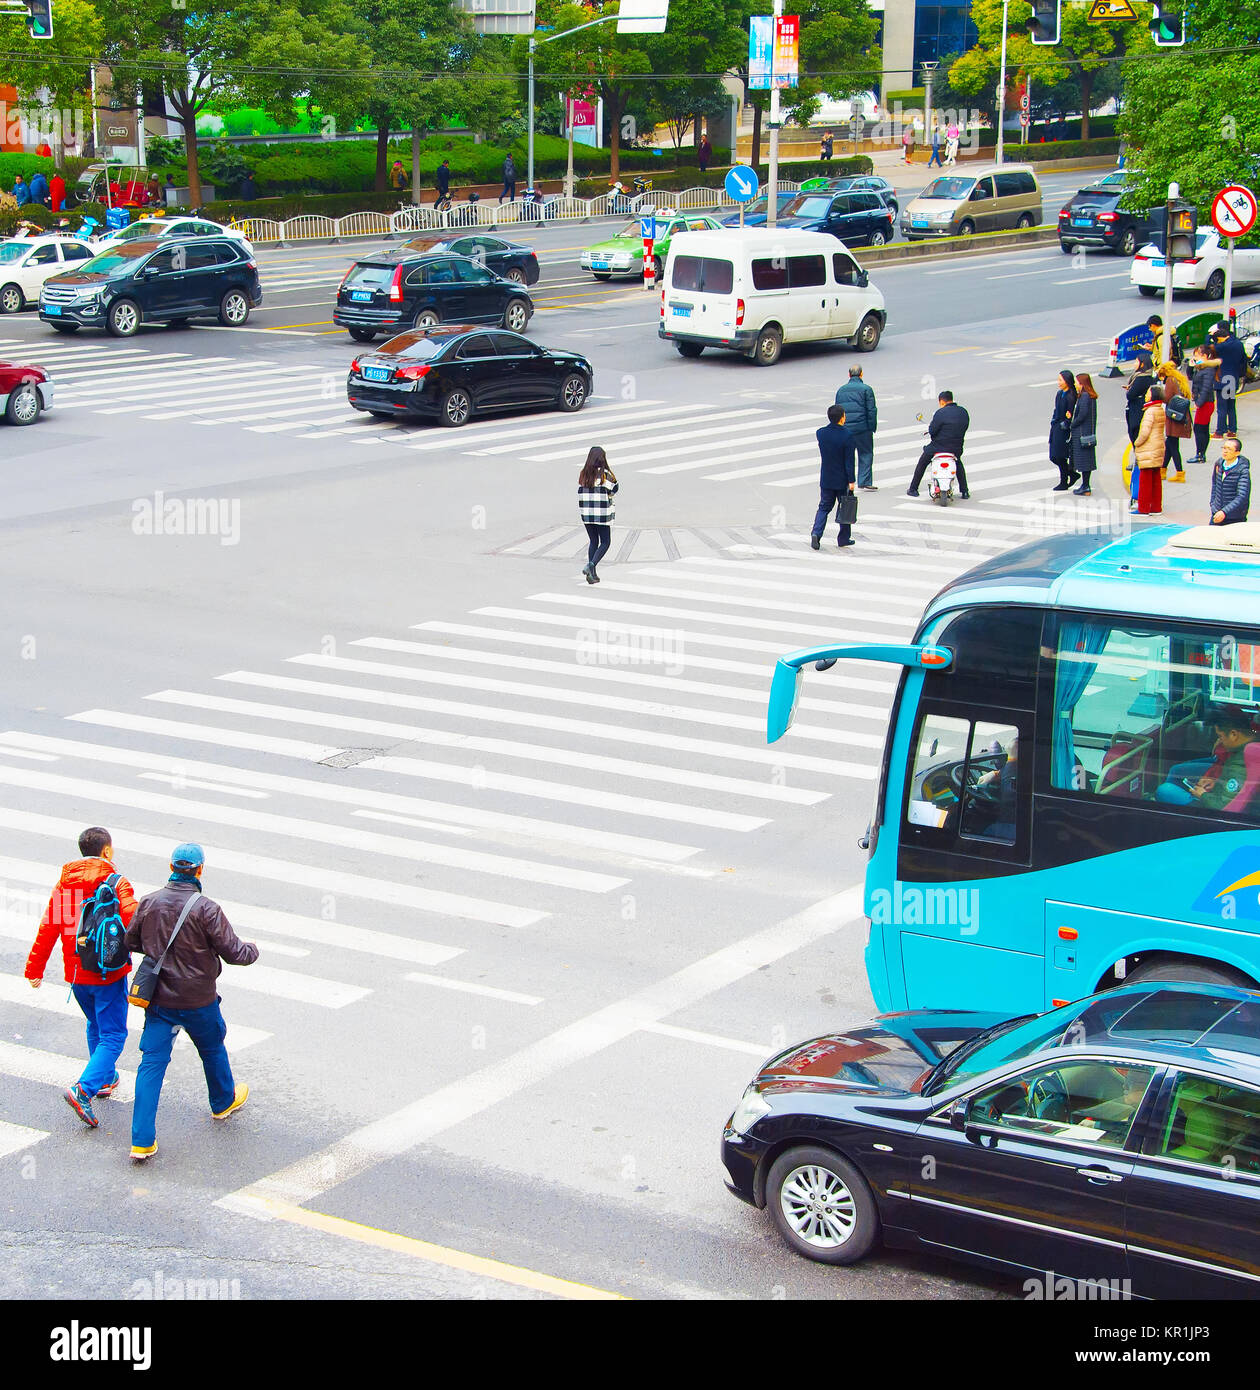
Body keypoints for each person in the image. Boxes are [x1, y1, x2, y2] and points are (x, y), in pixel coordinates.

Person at [124, 843, 257, 1162]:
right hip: (199, 1000)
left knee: (151, 1064)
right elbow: (235, 953)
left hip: (160, 1002)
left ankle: (141, 1141)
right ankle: (223, 1102)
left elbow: (131, 941)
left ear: (171, 866)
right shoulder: (207, 908)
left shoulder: (149, 901)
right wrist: (253, 949)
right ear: (199, 870)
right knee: (212, 1048)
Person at [25, 827, 138, 1130]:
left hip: (76, 976)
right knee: (113, 1035)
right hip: (108, 974)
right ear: (107, 851)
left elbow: (48, 928)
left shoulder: (65, 885)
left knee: (95, 1024)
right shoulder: (116, 883)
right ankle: (83, 1090)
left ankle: (104, 1079)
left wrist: (34, 970)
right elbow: (135, 920)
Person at [1156, 708, 1260, 810]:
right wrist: (1217, 783)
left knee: (1165, 790)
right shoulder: (1251, 747)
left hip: (1211, 811)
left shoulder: (1240, 764)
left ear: (1233, 734)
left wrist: (1202, 795)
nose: (1220, 741)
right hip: (1218, 796)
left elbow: (1224, 806)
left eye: (1220, 736)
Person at [811, 403, 858, 549]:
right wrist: (851, 481)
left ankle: (816, 533)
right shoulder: (847, 436)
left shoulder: (821, 433)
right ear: (842, 418)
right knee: (844, 508)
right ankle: (843, 538)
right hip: (842, 479)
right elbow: (849, 461)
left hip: (826, 477)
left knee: (824, 507)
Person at [909, 390, 970, 498]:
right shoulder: (963, 412)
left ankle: (913, 488)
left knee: (923, 461)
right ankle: (965, 491)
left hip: (939, 447)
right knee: (958, 463)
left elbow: (932, 431)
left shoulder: (940, 413)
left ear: (941, 401)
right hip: (956, 447)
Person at [578, 447, 618, 584]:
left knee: (593, 541)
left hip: (587, 514)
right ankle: (591, 565)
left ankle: (592, 575)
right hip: (601, 514)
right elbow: (615, 488)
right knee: (605, 542)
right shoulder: (606, 475)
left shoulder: (584, 474)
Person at [834, 365, 878, 490]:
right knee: (865, 453)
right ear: (861, 374)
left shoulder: (841, 390)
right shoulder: (866, 389)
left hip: (845, 429)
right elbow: (871, 410)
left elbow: (837, 410)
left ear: (849, 375)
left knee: (847, 455)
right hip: (862, 428)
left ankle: (846, 481)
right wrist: (872, 427)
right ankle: (864, 481)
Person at [1205, 320, 1245, 438]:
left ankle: (1220, 431)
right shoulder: (1238, 343)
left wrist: (1210, 335)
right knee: (1231, 406)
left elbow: (1208, 346)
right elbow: (1243, 361)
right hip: (1233, 378)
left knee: (1222, 407)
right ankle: (1232, 430)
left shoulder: (1222, 346)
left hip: (1222, 379)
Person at [1157, 359, 1192, 482]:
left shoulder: (1171, 380)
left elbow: (1166, 398)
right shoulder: (1180, 379)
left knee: (1173, 445)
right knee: (1170, 443)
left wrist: (1160, 393)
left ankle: (1180, 473)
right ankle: (1162, 470)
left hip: (1174, 417)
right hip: (1181, 415)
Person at [1133, 382, 1166, 515]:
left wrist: (1137, 443)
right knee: (1155, 479)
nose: (1146, 395)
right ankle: (1156, 507)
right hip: (1158, 447)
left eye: (1148, 393)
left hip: (1149, 448)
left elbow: (1145, 432)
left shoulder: (1150, 411)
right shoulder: (1159, 409)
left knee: (1145, 481)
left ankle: (1143, 508)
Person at [1069, 373, 1099, 496]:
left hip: (1082, 433)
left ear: (1082, 383)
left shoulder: (1085, 396)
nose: (1075, 384)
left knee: (1084, 460)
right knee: (1086, 460)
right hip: (1086, 433)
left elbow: (1082, 415)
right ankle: (1085, 485)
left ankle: (1086, 486)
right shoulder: (1088, 396)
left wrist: (1073, 424)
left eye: (1077, 382)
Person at [1210, 436, 1251, 525]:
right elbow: (1215, 485)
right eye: (1224, 448)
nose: (1225, 451)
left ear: (1237, 453)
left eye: (1229, 449)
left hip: (1234, 517)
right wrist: (1213, 505)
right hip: (1217, 513)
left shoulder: (1243, 471)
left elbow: (1242, 496)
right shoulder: (1219, 464)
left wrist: (1224, 512)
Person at [1048, 367, 1078, 491]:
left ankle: (1064, 480)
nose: (1059, 382)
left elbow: (1069, 414)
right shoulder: (1060, 393)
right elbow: (1056, 409)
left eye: (1061, 380)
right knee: (1053, 456)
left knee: (1059, 455)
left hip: (1063, 429)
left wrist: (1065, 424)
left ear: (1067, 381)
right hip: (1056, 426)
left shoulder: (1071, 396)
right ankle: (1071, 474)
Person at [1189, 344, 1217, 464]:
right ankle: (1201, 453)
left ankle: (1200, 454)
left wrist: (1199, 403)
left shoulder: (1208, 370)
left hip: (1205, 403)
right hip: (1203, 402)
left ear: (1205, 356)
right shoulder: (1200, 367)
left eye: (1197, 355)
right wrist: (1191, 366)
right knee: (1202, 428)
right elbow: (1191, 377)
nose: (1195, 357)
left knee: (1199, 428)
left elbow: (1206, 388)